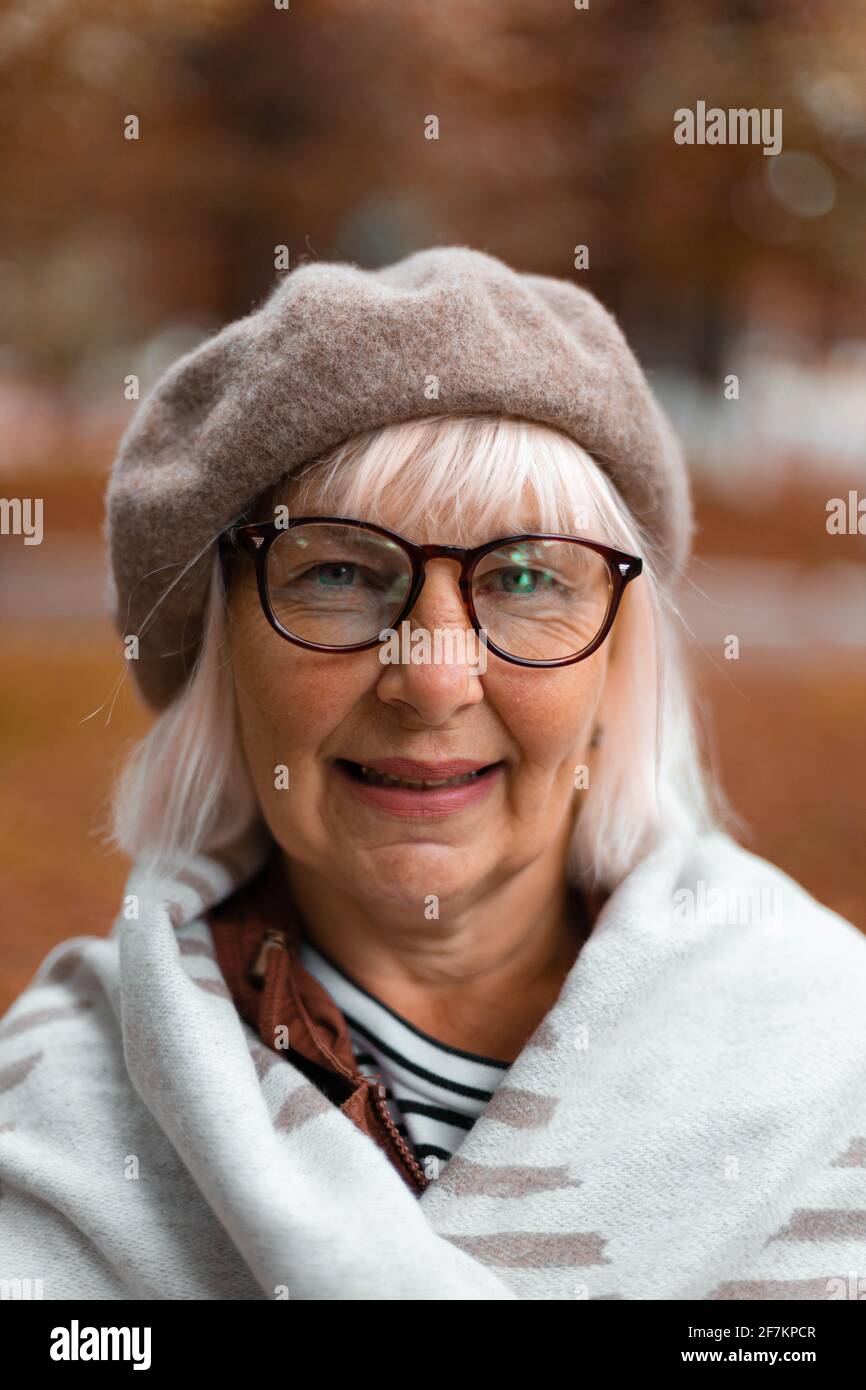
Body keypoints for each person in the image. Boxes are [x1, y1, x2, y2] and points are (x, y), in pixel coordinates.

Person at [1, 247, 865, 1302]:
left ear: (614, 665)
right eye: (336, 573)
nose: (435, 678)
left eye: (523, 577)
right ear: (219, 649)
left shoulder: (830, 1059)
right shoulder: (54, 1117)